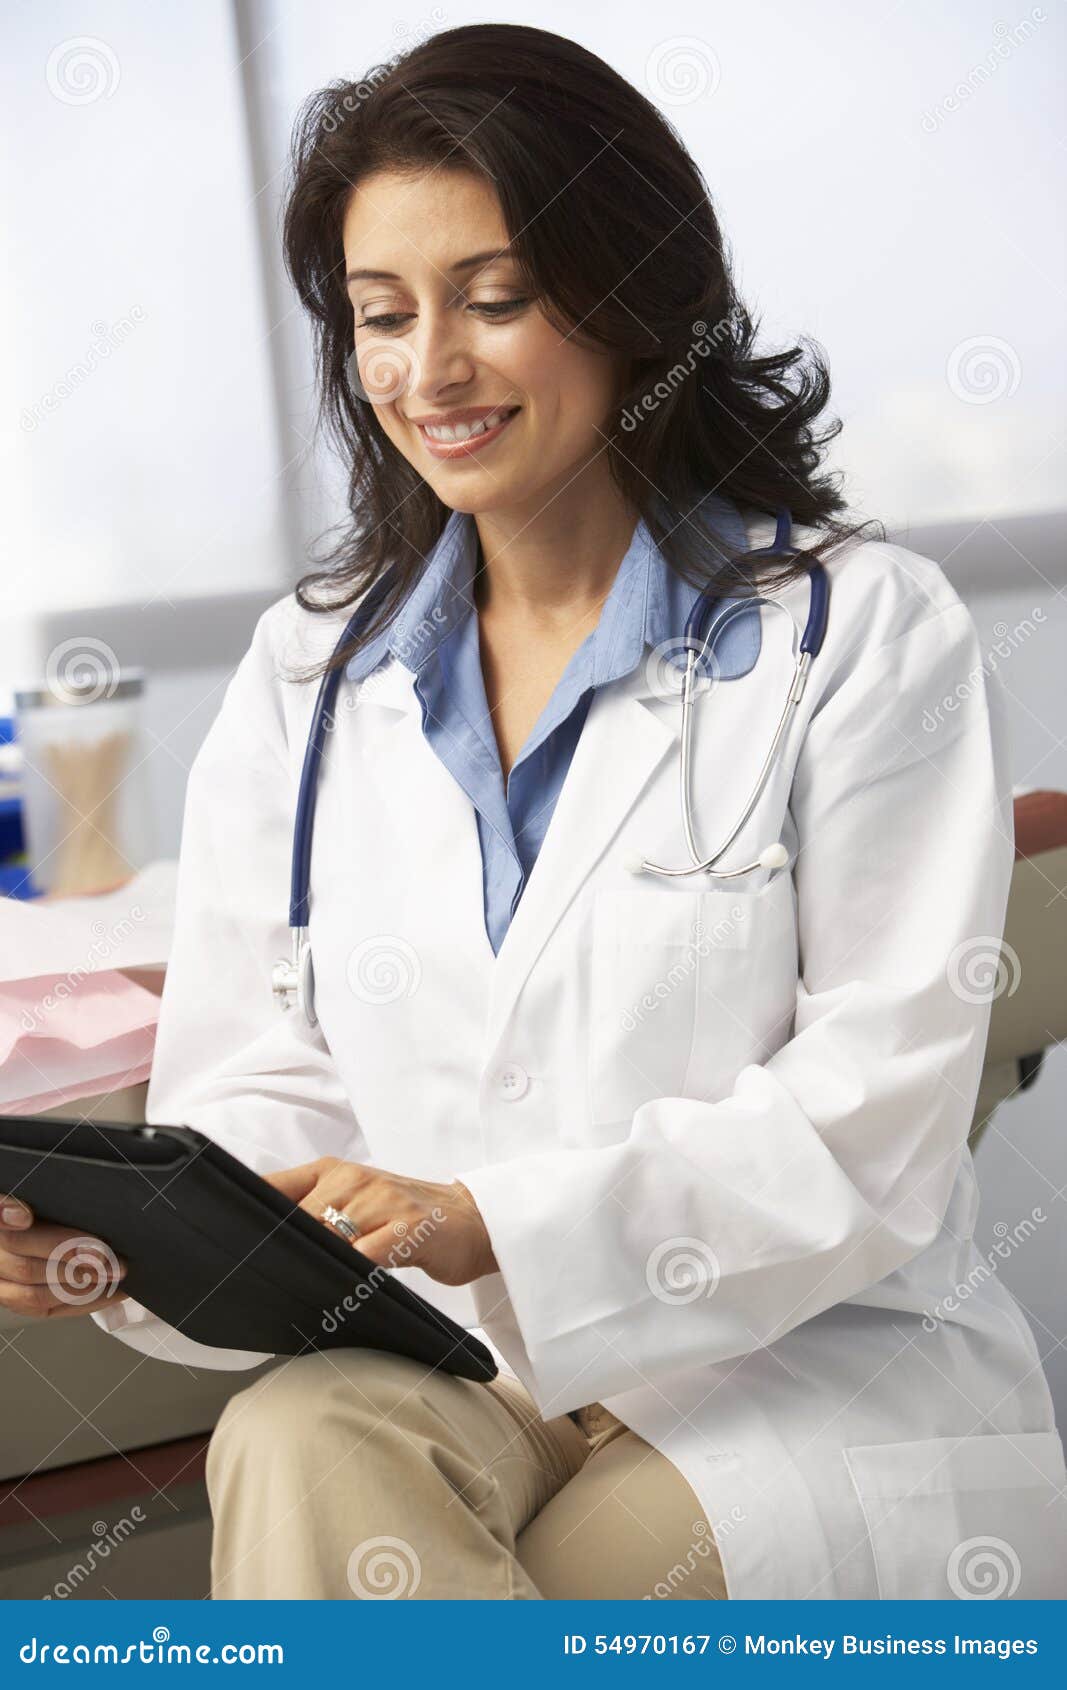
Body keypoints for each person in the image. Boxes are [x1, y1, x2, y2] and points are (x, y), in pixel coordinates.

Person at [3, 22, 1063, 1601]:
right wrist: (125, 1237)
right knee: (295, 1444)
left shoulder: (857, 633)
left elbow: (877, 1108)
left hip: (799, 1375)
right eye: (381, 315)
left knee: (549, 1587)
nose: (428, 370)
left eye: (493, 301)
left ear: (636, 301)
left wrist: (483, 1213)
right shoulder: (311, 672)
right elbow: (263, 1071)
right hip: (466, 1362)